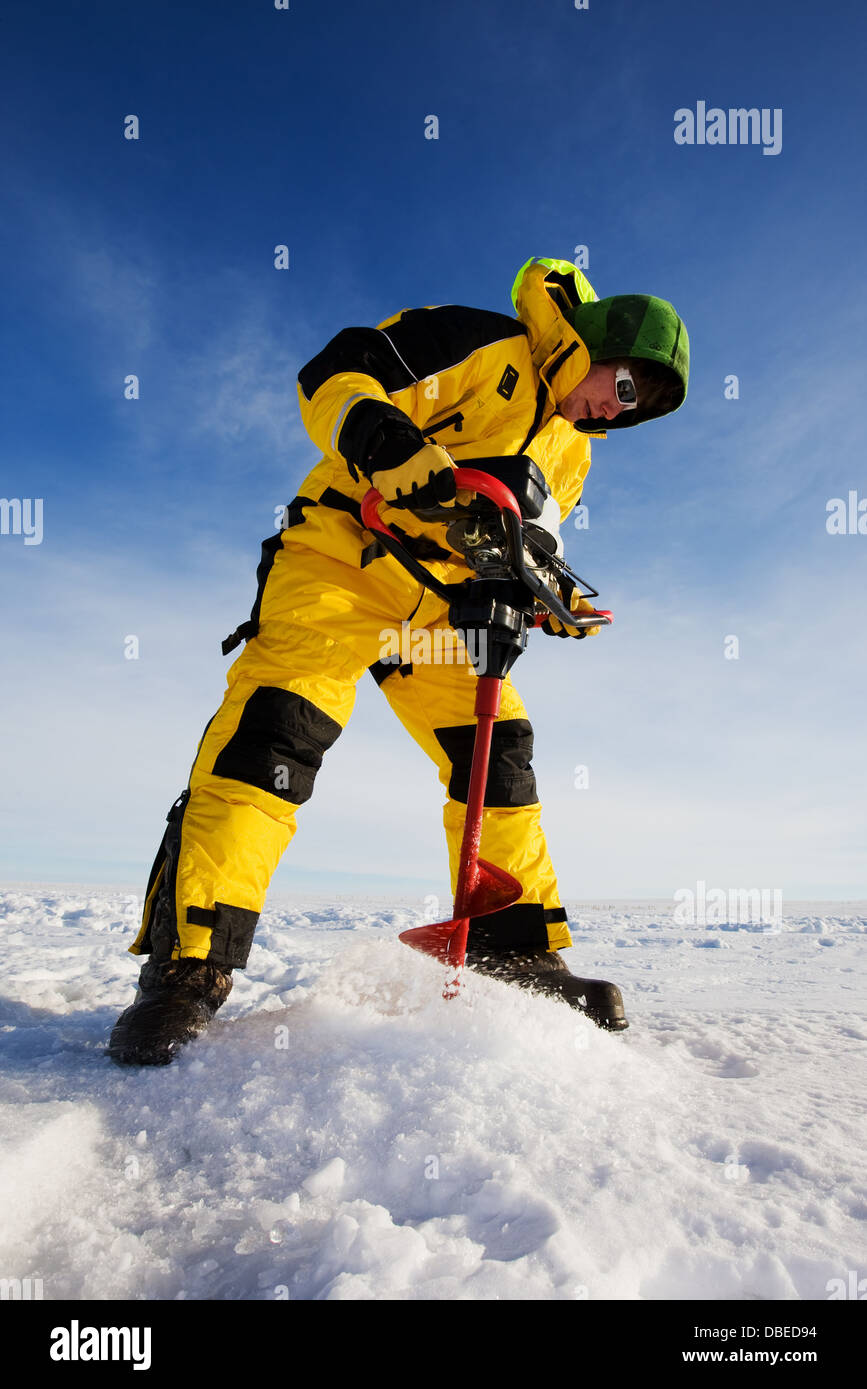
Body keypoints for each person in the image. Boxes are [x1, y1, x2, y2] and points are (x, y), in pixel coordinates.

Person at [108, 256, 689, 1066]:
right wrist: (388, 443)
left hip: (441, 606)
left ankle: (513, 952)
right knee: (274, 735)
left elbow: (531, 540)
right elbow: (337, 372)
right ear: (599, 344)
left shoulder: (570, 452)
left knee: (497, 758)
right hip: (340, 561)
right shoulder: (483, 342)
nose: (613, 415)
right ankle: (189, 968)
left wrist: (544, 595)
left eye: (636, 415)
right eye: (625, 390)